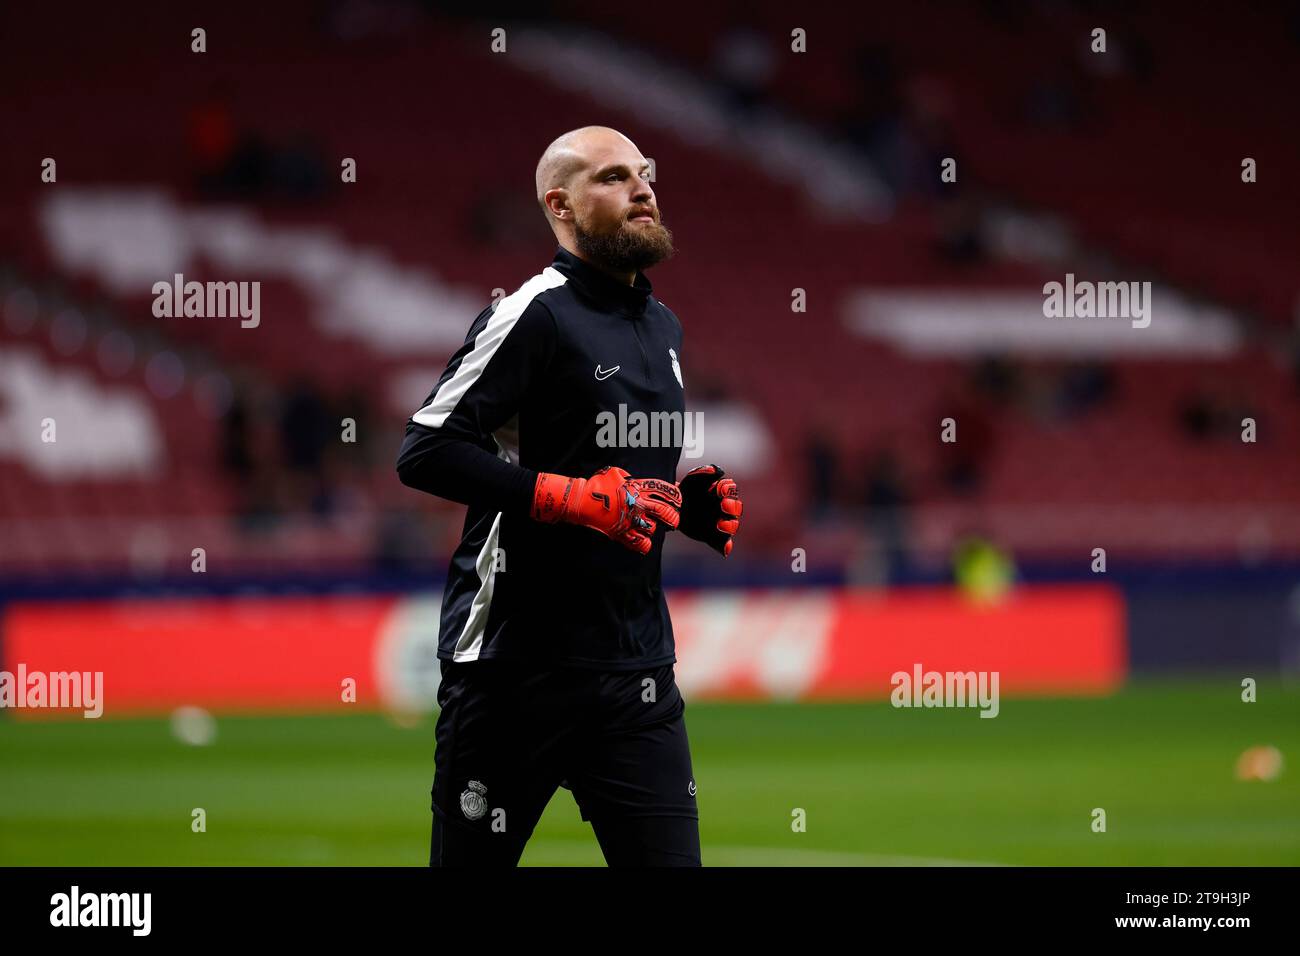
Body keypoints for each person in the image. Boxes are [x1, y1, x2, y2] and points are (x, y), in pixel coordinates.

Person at [396, 126, 743, 866]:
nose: (643, 188)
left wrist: (687, 510)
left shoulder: (663, 326)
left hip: (635, 673)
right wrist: (566, 498)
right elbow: (426, 448)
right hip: (513, 670)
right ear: (561, 204)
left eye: (645, 174)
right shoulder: (533, 313)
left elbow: (619, 491)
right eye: (614, 177)